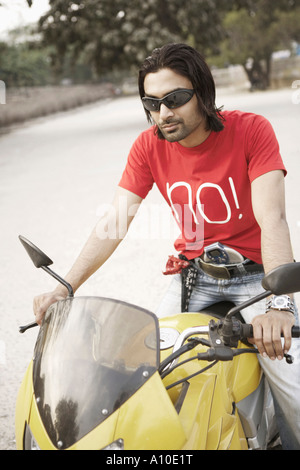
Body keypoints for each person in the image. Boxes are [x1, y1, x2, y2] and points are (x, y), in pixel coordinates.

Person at [33, 43, 300, 449]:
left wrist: (281, 304)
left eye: (175, 99)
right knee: (140, 368)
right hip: (195, 275)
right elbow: (114, 223)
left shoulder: (251, 129)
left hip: (260, 277)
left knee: (293, 386)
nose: (164, 113)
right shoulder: (148, 145)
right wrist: (65, 286)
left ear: (203, 94)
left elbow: (273, 217)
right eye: (152, 103)